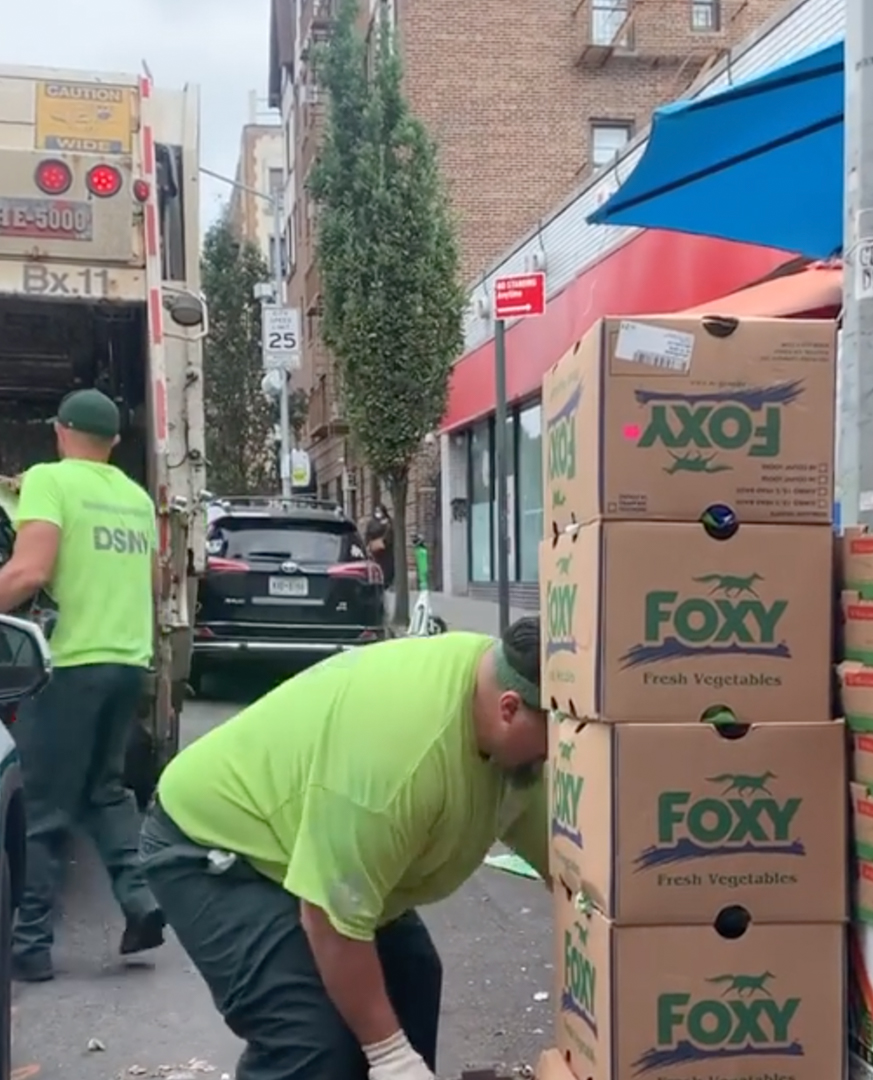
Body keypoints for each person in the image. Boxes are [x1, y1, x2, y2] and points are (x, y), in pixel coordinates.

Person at [140, 620, 550, 1079]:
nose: (554, 754)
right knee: (309, 1041)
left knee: (411, 978)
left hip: (314, 840)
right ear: (509, 708)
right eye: (549, 740)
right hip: (218, 841)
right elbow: (331, 919)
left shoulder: (508, 708)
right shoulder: (399, 764)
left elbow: (567, 858)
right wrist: (391, 1057)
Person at [0, 388, 167, 981]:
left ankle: (30, 947)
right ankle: (141, 902)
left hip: (70, 663)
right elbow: (154, 580)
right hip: (128, 661)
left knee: (43, 806)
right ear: (115, 441)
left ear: (60, 430)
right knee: (104, 789)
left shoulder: (50, 480)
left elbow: (30, 570)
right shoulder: (136, 498)